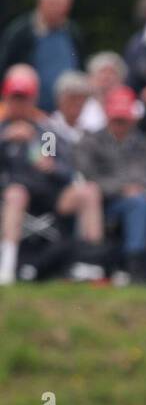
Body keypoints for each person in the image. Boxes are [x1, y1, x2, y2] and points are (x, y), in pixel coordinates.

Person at [0, 65, 102, 285]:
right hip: (12, 196)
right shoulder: (2, 128)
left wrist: (51, 167)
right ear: (6, 97)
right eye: (15, 97)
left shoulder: (45, 132)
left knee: (89, 191)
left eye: (24, 98)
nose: (19, 103)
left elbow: (67, 171)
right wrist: (5, 139)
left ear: (33, 98)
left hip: (47, 194)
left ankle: (90, 262)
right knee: (16, 193)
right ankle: (6, 267)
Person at [78, 85, 146, 281]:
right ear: (107, 116)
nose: (120, 124)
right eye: (116, 119)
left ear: (133, 118)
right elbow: (87, 178)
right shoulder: (91, 142)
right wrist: (122, 188)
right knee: (137, 202)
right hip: (110, 202)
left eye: (124, 119)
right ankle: (135, 264)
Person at [0, 0, 84, 113]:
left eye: (64, 3)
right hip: (27, 114)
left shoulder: (73, 32)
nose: (60, 8)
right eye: (54, 2)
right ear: (41, 1)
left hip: (63, 116)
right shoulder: (20, 32)